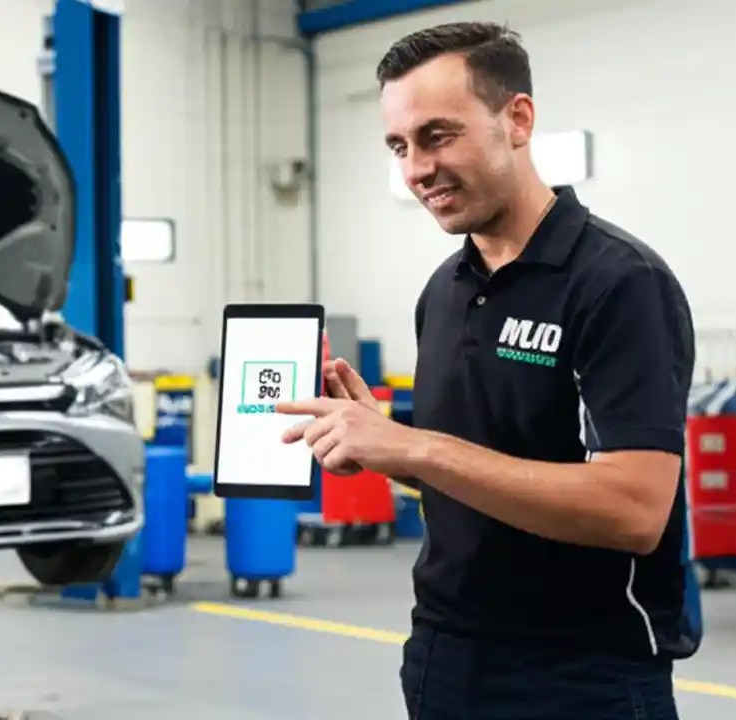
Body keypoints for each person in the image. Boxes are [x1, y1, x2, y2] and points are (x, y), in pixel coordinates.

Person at [276, 21, 698, 720]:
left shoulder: (619, 282)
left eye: (438, 136)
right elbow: (474, 470)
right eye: (399, 146)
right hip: (442, 657)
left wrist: (414, 447)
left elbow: (634, 510)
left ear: (518, 119)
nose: (417, 169)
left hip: (581, 675)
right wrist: (383, 444)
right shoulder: (443, 292)